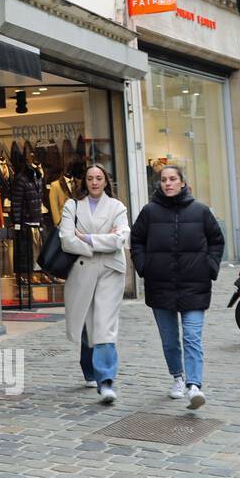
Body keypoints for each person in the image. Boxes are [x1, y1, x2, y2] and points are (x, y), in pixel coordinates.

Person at [130, 165, 225, 410]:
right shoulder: (149, 212)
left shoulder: (201, 211)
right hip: (159, 285)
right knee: (170, 340)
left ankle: (195, 385)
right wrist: (144, 267)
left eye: (173, 179)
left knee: (192, 336)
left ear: (183, 182)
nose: (168, 183)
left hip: (195, 285)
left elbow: (217, 240)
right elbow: (136, 240)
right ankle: (178, 377)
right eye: (164, 180)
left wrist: (210, 266)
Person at [59, 164, 130, 403]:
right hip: (82, 272)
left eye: (99, 178)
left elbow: (119, 239)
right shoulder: (72, 206)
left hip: (111, 270)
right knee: (87, 323)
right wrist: (102, 242)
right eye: (90, 178)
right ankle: (89, 368)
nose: (95, 182)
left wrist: (87, 238)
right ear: (85, 181)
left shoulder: (117, 207)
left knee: (104, 324)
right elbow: (67, 241)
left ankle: (106, 381)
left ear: (106, 181)